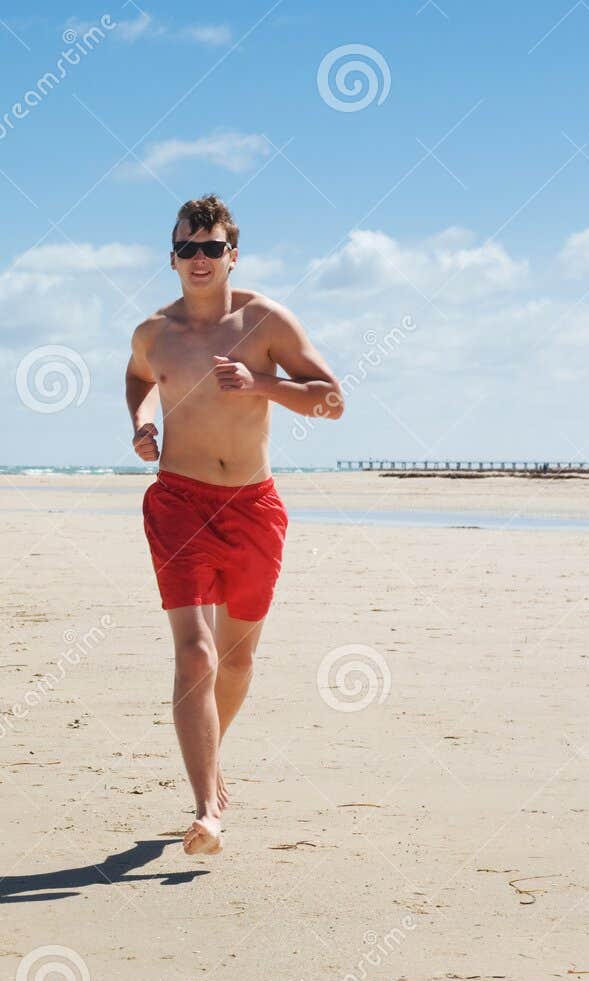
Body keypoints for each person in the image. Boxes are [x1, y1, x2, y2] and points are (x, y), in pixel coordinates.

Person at [124, 194, 344, 857]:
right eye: (186, 248)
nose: (199, 258)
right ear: (171, 257)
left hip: (253, 507)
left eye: (211, 247)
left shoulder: (266, 322)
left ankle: (214, 767)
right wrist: (141, 423)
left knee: (238, 658)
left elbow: (332, 401)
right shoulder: (154, 333)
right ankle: (204, 811)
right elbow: (138, 378)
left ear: (232, 255)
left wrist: (261, 386)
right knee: (195, 652)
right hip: (178, 504)